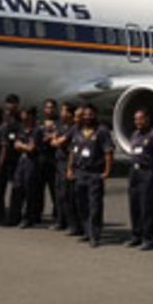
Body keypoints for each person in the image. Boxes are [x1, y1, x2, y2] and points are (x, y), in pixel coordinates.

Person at [66, 103, 114, 247]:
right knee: (82, 204)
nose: (87, 117)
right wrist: (69, 169)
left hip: (94, 173)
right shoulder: (77, 131)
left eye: (90, 115)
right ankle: (87, 231)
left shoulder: (102, 131)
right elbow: (72, 152)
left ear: (95, 115)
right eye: (85, 115)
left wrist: (107, 170)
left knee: (95, 205)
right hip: (80, 172)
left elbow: (108, 152)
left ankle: (95, 234)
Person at [127, 108, 153, 250]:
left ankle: (149, 238)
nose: (138, 122)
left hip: (148, 172)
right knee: (134, 205)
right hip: (134, 172)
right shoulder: (135, 134)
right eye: (136, 119)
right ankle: (136, 236)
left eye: (140, 119)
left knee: (147, 206)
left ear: (147, 119)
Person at [6, 107, 41, 228]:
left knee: (29, 190)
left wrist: (22, 145)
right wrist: (23, 145)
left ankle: (28, 218)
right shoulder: (21, 128)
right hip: (21, 161)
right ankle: (14, 217)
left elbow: (31, 148)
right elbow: (16, 144)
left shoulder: (37, 130)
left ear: (31, 116)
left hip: (32, 162)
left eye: (25, 115)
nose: (23, 118)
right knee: (17, 187)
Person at [50, 102, 80, 234]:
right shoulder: (62, 126)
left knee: (67, 195)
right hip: (58, 162)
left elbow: (58, 141)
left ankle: (73, 225)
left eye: (63, 111)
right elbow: (53, 142)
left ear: (69, 114)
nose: (61, 113)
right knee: (59, 195)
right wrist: (56, 140)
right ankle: (61, 221)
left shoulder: (73, 129)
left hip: (66, 162)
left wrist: (56, 140)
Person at [34, 98, 60, 225]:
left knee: (55, 189)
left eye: (51, 107)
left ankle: (58, 216)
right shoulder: (39, 123)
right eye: (47, 107)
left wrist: (52, 137)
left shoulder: (59, 124)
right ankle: (37, 214)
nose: (49, 110)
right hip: (41, 159)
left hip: (54, 159)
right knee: (38, 189)